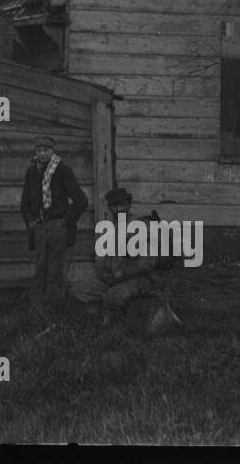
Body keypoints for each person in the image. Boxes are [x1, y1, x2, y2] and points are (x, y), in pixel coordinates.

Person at [72, 188, 174, 327]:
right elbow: (105, 259)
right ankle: (100, 315)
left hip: (141, 279)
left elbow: (146, 263)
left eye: (122, 204)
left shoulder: (140, 226)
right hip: (114, 279)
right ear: (109, 208)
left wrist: (120, 275)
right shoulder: (110, 229)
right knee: (79, 290)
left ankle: (113, 328)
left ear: (129, 204)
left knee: (113, 296)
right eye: (115, 205)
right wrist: (106, 275)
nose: (119, 209)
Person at [20, 135, 89, 302]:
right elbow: (24, 204)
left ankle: (55, 309)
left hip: (57, 226)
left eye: (46, 150)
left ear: (52, 151)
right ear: (35, 152)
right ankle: (37, 310)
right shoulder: (31, 173)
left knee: (55, 271)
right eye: (39, 150)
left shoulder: (62, 170)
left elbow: (81, 200)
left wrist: (65, 222)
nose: (42, 153)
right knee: (39, 269)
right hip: (39, 228)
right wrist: (31, 224)